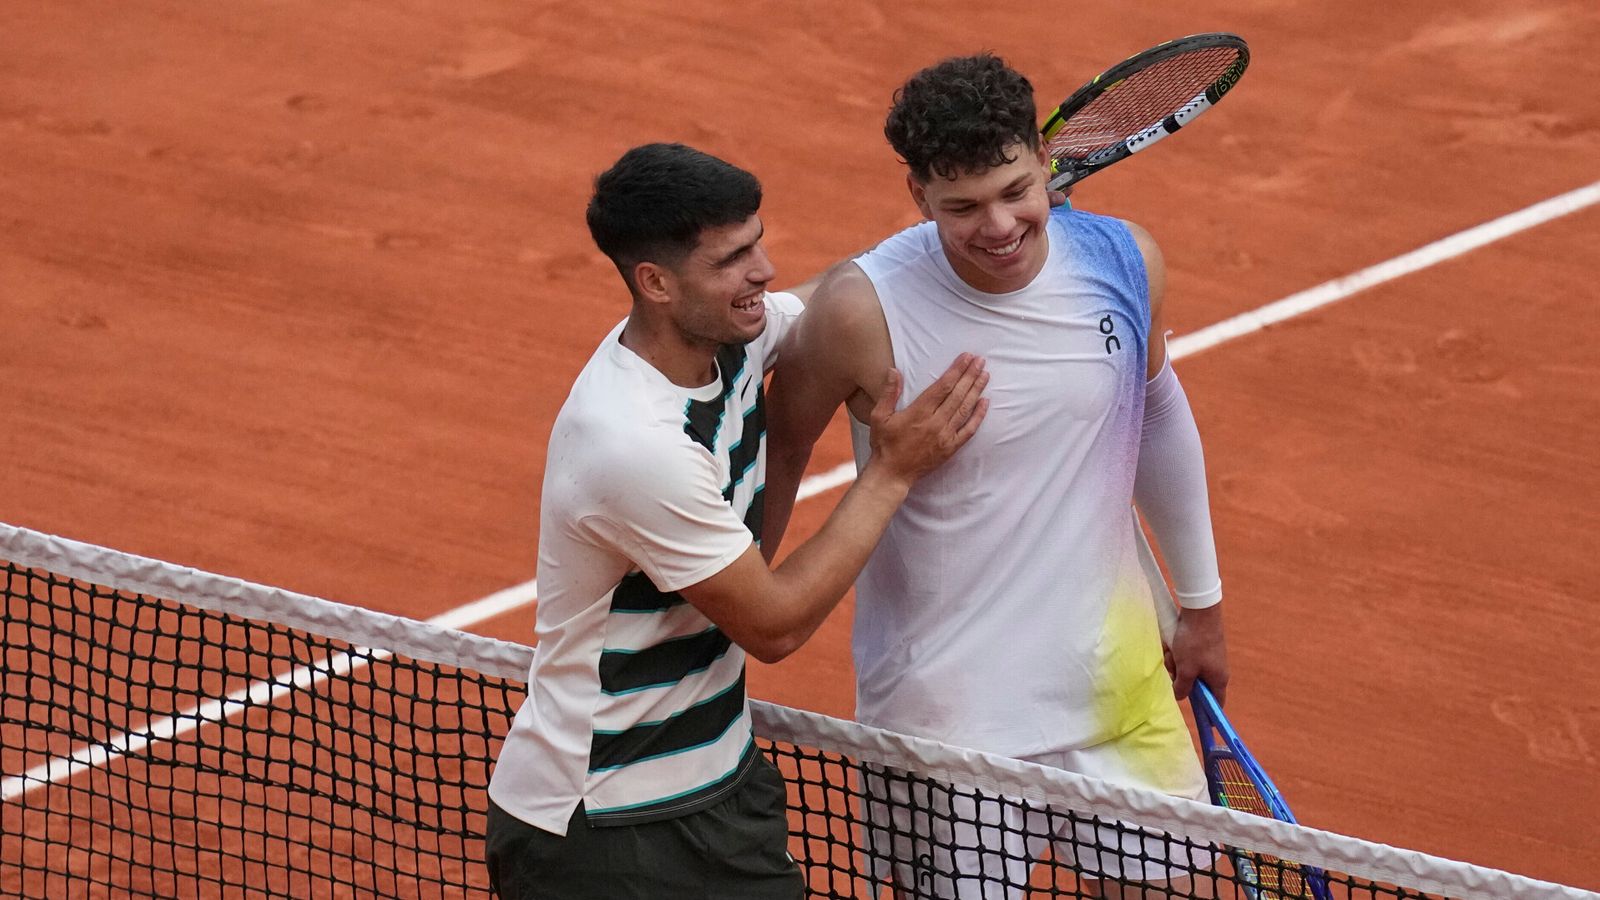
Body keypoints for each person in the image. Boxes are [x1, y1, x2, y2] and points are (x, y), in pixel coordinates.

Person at [763, 54, 1231, 898]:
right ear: (919, 197)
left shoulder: (1124, 261)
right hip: (948, 721)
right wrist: (738, 598)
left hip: (1118, 685)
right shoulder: (862, 311)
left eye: (1017, 191)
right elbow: (781, 448)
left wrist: (1201, 607)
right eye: (963, 207)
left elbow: (1157, 413)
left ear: (1045, 161)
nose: (1000, 226)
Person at [484, 142, 990, 900]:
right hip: (606, 829)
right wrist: (891, 472)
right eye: (731, 260)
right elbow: (774, 625)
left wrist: (953, 228)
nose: (764, 271)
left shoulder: (728, 339)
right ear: (656, 282)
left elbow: (843, 294)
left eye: (756, 244)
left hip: (719, 784)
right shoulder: (636, 443)